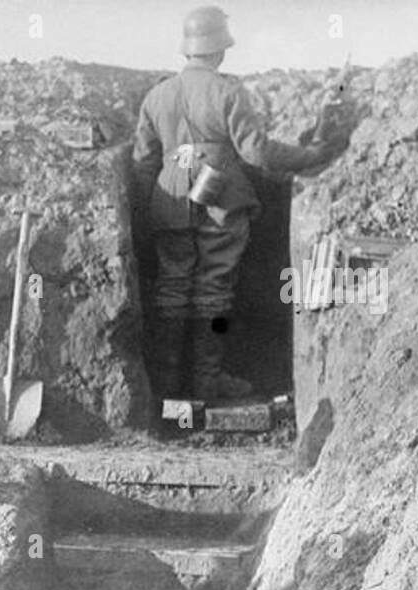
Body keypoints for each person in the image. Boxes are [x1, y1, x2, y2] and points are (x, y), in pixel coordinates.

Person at [132, 5, 344, 401]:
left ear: (188, 48)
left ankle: (167, 384)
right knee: (214, 286)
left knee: (173, 287)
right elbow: (258, 153)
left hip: (170, 202)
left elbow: (142, 164)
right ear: (219, 48)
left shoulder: (156, 96)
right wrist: (309, 155)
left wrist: (150, 213)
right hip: (221, 202)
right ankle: (206, 378)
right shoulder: (228, 92)